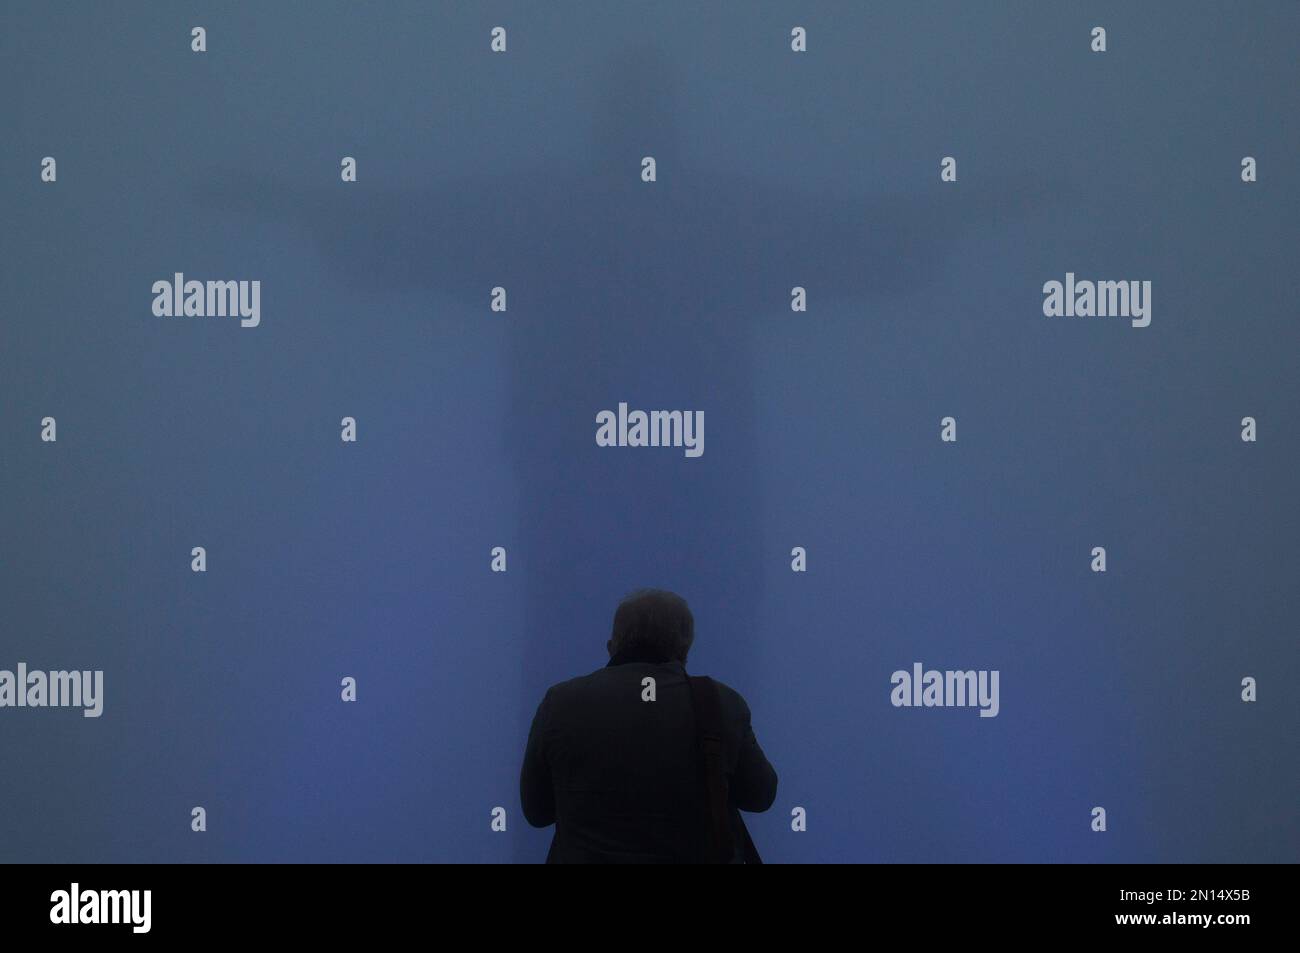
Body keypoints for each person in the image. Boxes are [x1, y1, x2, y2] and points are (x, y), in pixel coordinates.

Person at [519, 588, 778, 863]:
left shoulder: (559, 702)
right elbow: (760, 796)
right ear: (685, 648)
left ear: (612, 645)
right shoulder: (721, 703)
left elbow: (536, 812)